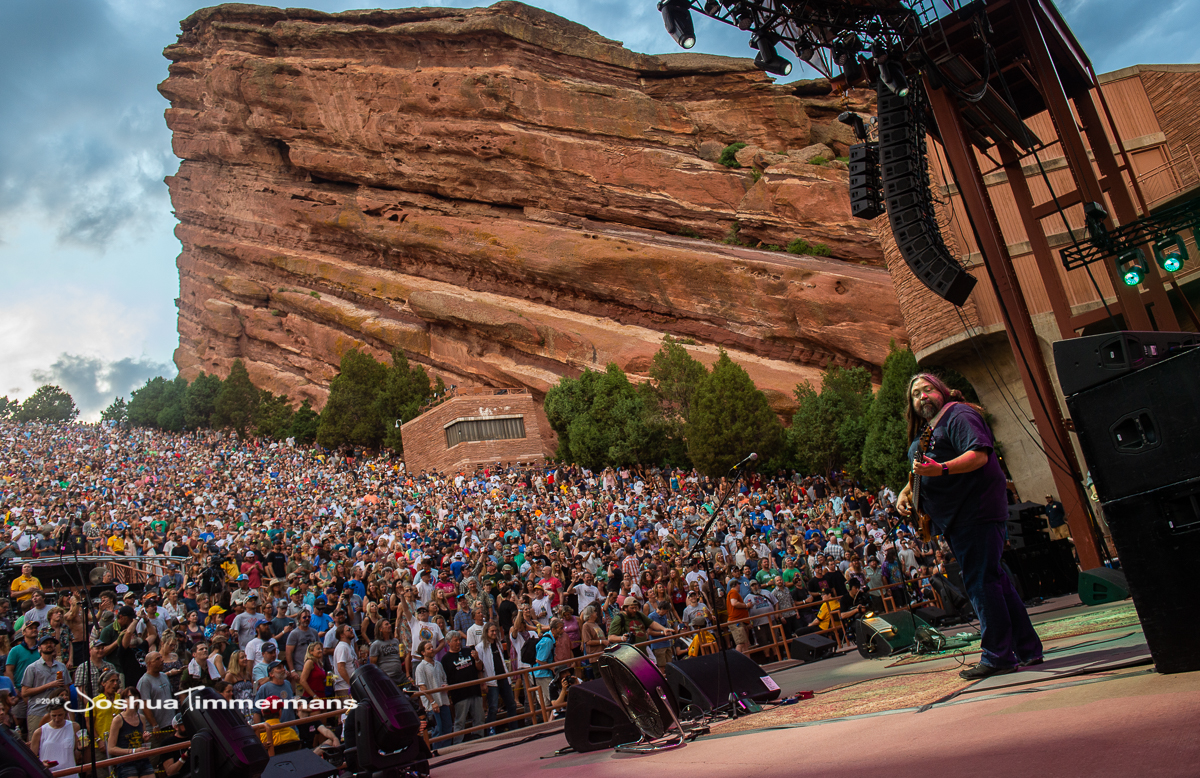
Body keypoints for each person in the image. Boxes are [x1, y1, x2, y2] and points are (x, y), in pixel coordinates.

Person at [897, 373, 1043, 679]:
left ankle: (998, 655)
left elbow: (978, 455)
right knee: (993, 580)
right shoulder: (928, 430)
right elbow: (922, 471)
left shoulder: (959, 415)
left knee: (981, 583)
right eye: (916, 394)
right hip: (957, 517)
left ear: (943, 391)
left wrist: (943, 468)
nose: (922, 396)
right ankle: (1027, 648)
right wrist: (906, 492)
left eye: (927, 390)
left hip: (974, 512)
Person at [439, 630, 484, 745]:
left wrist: (477, 658)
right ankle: (458, 744)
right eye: (455, 640)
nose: (458, 642)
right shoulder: (445, 659)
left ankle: (479, 739)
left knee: (479, 718)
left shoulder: (468, 651)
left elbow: (479, 668)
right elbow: (445, 678)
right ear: (448, 642)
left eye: (459, 640)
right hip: (459, 694)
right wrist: (449, 695)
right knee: (460, 721)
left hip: (474, 690)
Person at [106, 687, 155, 778]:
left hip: (142, 759)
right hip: (126, 762)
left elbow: (141, 742)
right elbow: (111, 748)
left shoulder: (141, 718)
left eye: (135, 696)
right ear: (124, 701)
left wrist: (145, 739)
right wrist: (133, 751)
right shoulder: (118, 720)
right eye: (129, 697)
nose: (133, 699)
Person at [414, 640, 452, 744]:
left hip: (443, 700)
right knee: (437, 729)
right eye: (429, 648)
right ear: (423, 652)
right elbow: (422, 687)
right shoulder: (420, 668)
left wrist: (446, 686)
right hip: (432, 705)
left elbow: (444, 679)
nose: (432, 650)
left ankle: (448, 751)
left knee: (447, 728)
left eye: (432, 647)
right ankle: (438, 752)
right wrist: (432, 702)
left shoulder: (439, 664)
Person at [30, 701, 81, 771]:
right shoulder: (39, 732)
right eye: (54, 716)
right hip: (49, 774)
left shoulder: (74, 727)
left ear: (65, 713)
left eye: (60, 715)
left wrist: (80, 749)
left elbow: (77, 755)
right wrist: (42, 764)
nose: (57, 719)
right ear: (49, 714)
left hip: (69, 773)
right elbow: (31, 759)